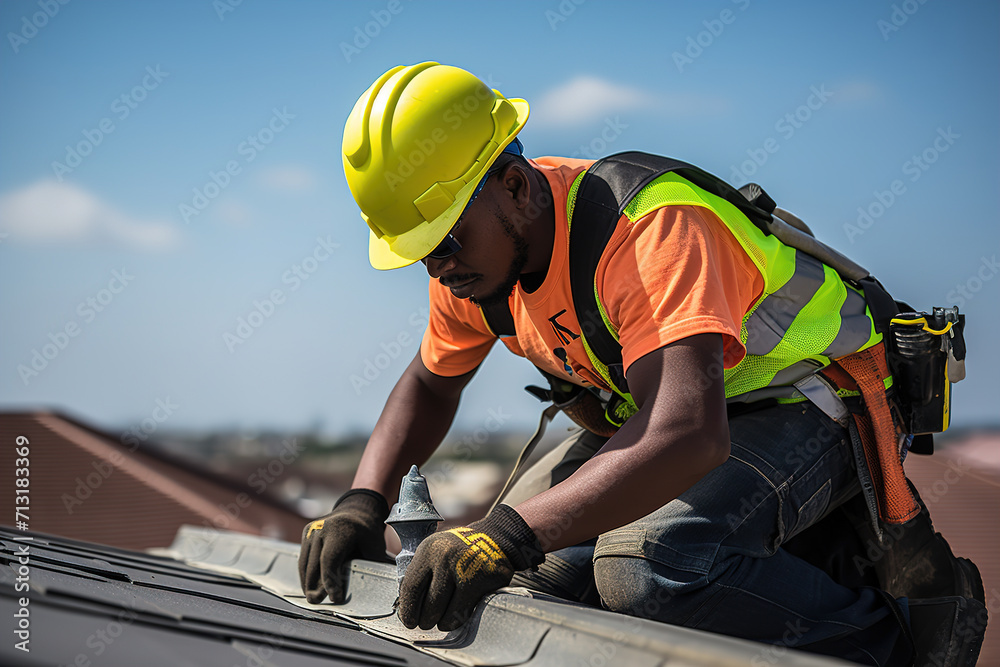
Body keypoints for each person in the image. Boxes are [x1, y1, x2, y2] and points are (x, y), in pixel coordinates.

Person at [298, 62, 986, 666]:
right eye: (422, 253)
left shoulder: (647, 228)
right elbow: (428, 383)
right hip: (665, 410)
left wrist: (509, 532)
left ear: (514, 186)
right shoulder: (475, 270)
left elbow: (688, 432)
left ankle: (886, 642)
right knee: (520, 582)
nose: (439, 268)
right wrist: (363, 502)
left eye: (445, 241)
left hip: (808, 398)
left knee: (647, 567)